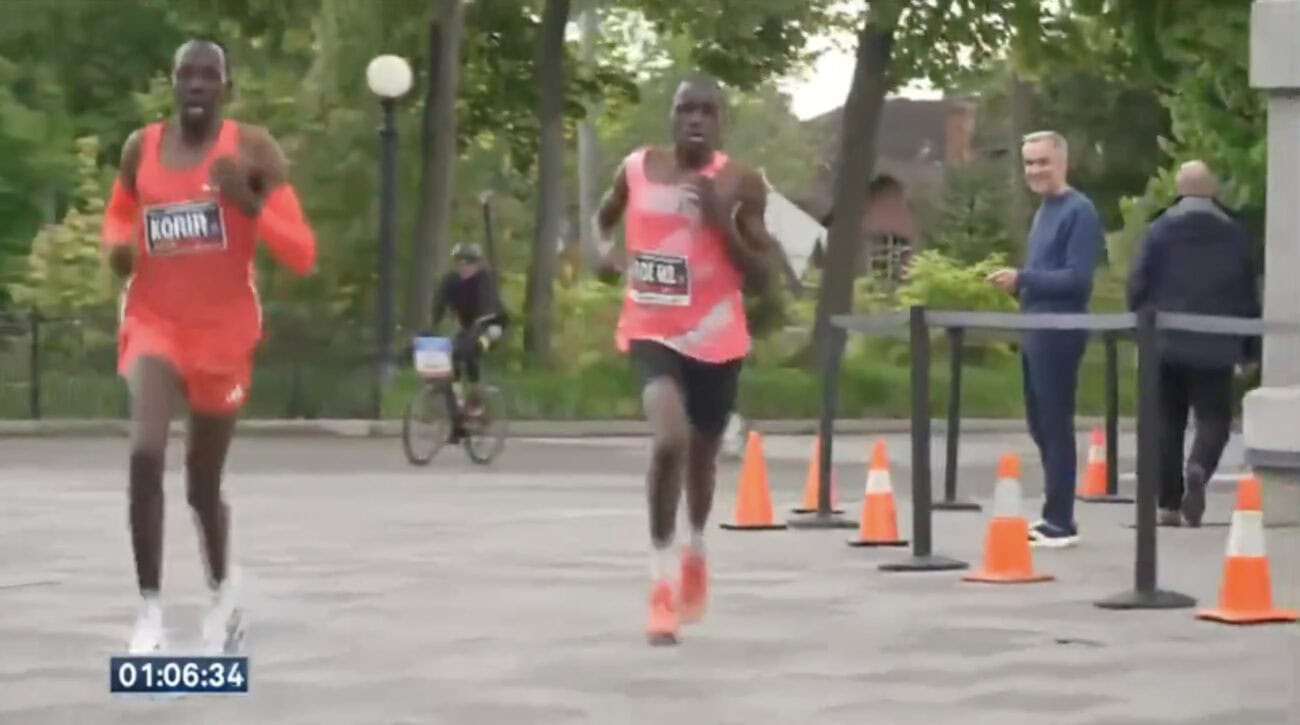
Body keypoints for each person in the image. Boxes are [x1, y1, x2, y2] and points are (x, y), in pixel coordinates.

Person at [100, 39, 317, 654]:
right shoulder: (142, 147)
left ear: (226, 86)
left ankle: (223, 593)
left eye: (208, 75)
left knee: (201, 482)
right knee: (145, 453)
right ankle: (150, 614)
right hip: (154, 324)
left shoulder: (252, 150)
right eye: (185, 75)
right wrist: (118, 244)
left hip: (223, 337)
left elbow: (301, 253)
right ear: (172, 84)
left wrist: (247, 201)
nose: (196, 84)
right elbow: (120, 213)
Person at [593, 74, 779, 645]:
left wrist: (724, 224)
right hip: (651, 328)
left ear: (720, 121)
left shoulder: (741, 182)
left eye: (707, 111)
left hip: (716, 337)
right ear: (671, 117)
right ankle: (659, 583)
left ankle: (696, 549)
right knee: (668, 441)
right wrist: (604, 254)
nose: (696, 119)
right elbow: (604, 217)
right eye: (685, 109)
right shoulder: (637, 167)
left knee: (702, 456)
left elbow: (766, 275)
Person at [1126, 160, 1261, 527]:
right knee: (1214, 417)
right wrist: (1250, 349)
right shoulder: (1236, 234)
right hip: (1217, 343)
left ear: (1178, 190)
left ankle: (1169, 502)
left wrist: (1140, 330)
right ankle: (1199, 465)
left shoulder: (1159, 230)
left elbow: (1137, 283)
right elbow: (1249, 295)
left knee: (1166, 420)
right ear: (1213, 191)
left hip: (1166, 341)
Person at [987, 130, 1102, 548]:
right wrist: (1019, 286)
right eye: (1029, 163)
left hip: (1060, 330)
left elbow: (1077, 279)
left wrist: (1025, 278)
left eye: (1042, 162)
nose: (1035, 170)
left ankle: (1061, 520)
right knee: (1039, 422)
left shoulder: (1079, 212)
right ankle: (1053, 513)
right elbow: (1044, 274)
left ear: (1062, 162)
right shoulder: (1042, 212)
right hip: (1034, 326)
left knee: (1055, 423)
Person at [430, 242, 508, 417]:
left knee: (472, 349)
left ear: (477, 265)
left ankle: (476, 400)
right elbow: (439, 305)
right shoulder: (451, 281)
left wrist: (477, 328)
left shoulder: (484, 280)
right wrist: (432, 327)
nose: (464, 268)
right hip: (469, 326)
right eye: (460, 263)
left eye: (469, 264)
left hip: (492, 325)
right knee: (453, 354)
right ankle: (457, 402)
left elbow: (487, 307)